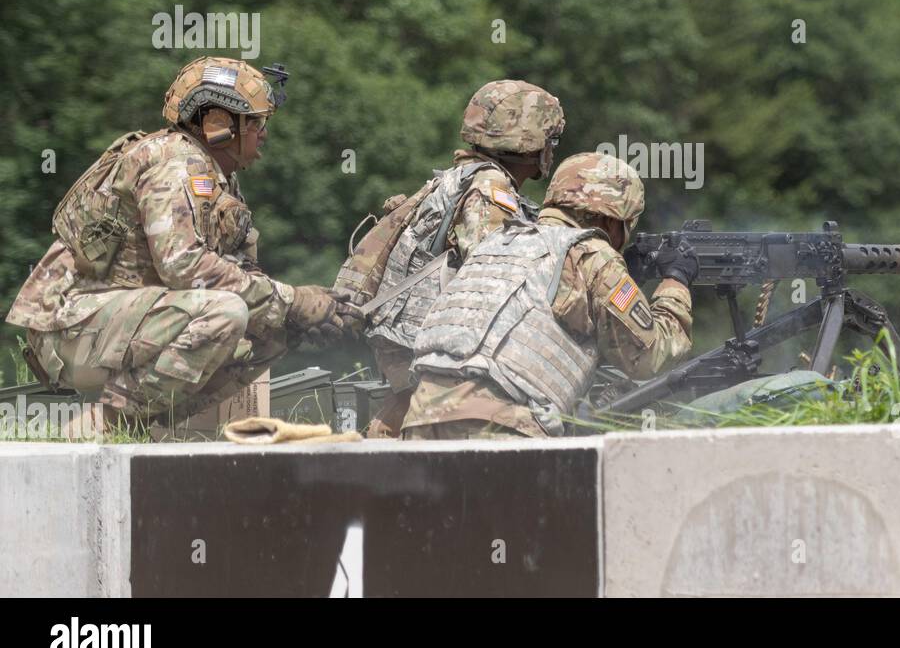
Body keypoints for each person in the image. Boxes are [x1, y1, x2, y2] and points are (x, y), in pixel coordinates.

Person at [5, 56, 358, 433]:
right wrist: (292, 299)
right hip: (68, 329)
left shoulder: (216, 177)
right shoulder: (174, 163)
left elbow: (238, 272)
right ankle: (106, 423)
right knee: (227, 312)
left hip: (113, 325)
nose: (264, 133)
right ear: (219, 127)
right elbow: (183, 265)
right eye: (255, 122)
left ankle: (146, 425)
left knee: (272, 326)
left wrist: (305, 313)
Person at [401, 152, 696, 439]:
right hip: (500, 424)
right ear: (610, 222)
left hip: (421, 419)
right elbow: (651, 355)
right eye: (627, 224)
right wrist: (676, 281)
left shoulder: (497, 241)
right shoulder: (592, 254)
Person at [335, 80, 565, 436]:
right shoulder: (490, 190)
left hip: (405, 336)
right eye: (550, 140)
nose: (552, 150)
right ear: (529, 142)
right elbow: (497, 279)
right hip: (425, 345)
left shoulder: (461, 178)